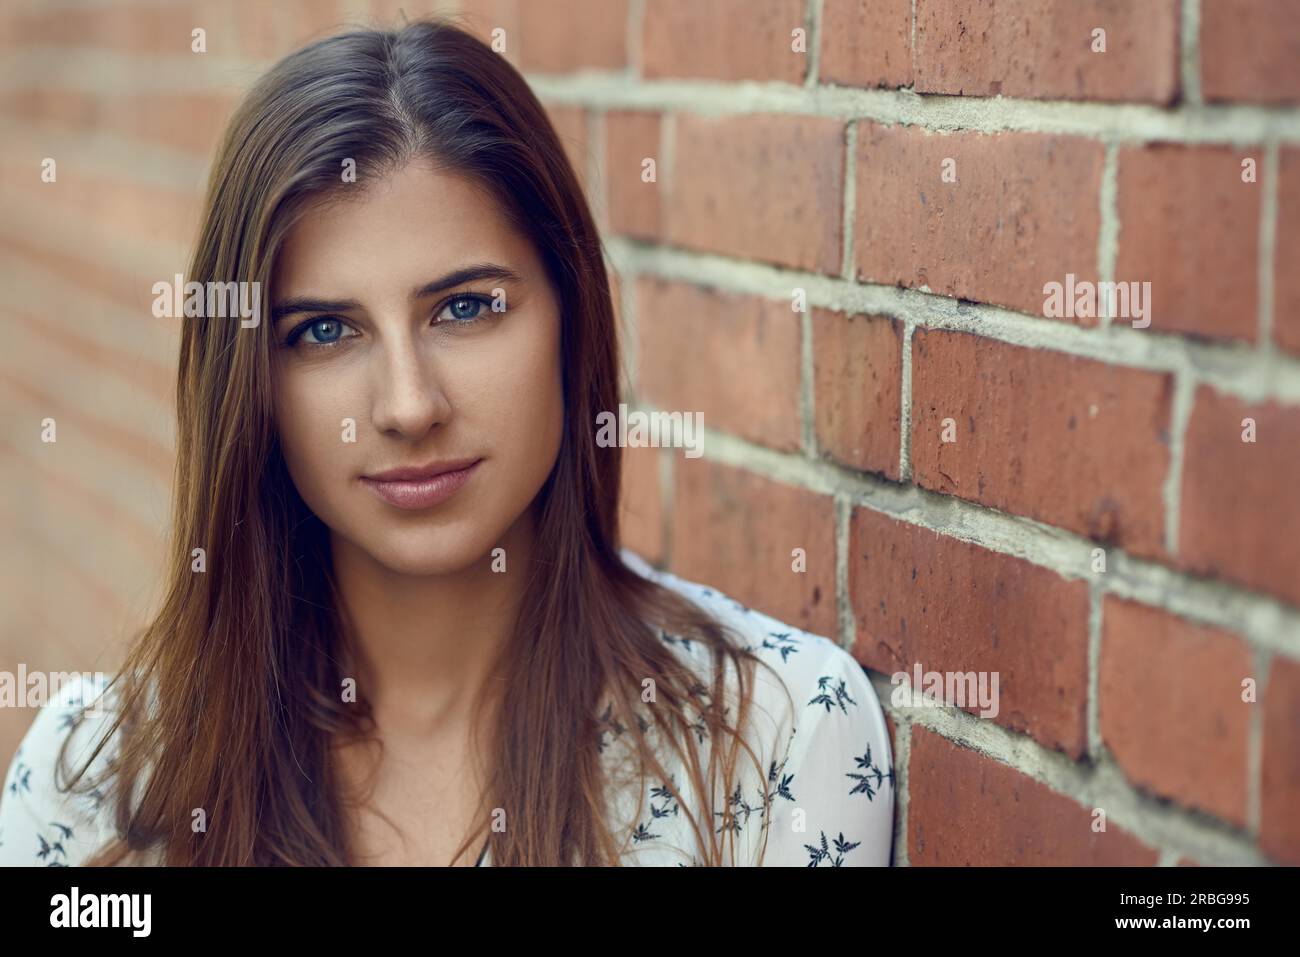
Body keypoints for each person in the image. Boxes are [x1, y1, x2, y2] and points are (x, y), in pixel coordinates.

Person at [0, 16, 893, 867]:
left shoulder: (773, 735)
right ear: (250, 384)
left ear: (570, 314)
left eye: (465, 307)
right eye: (323, 331)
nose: (409, 404)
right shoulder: (93, 783)